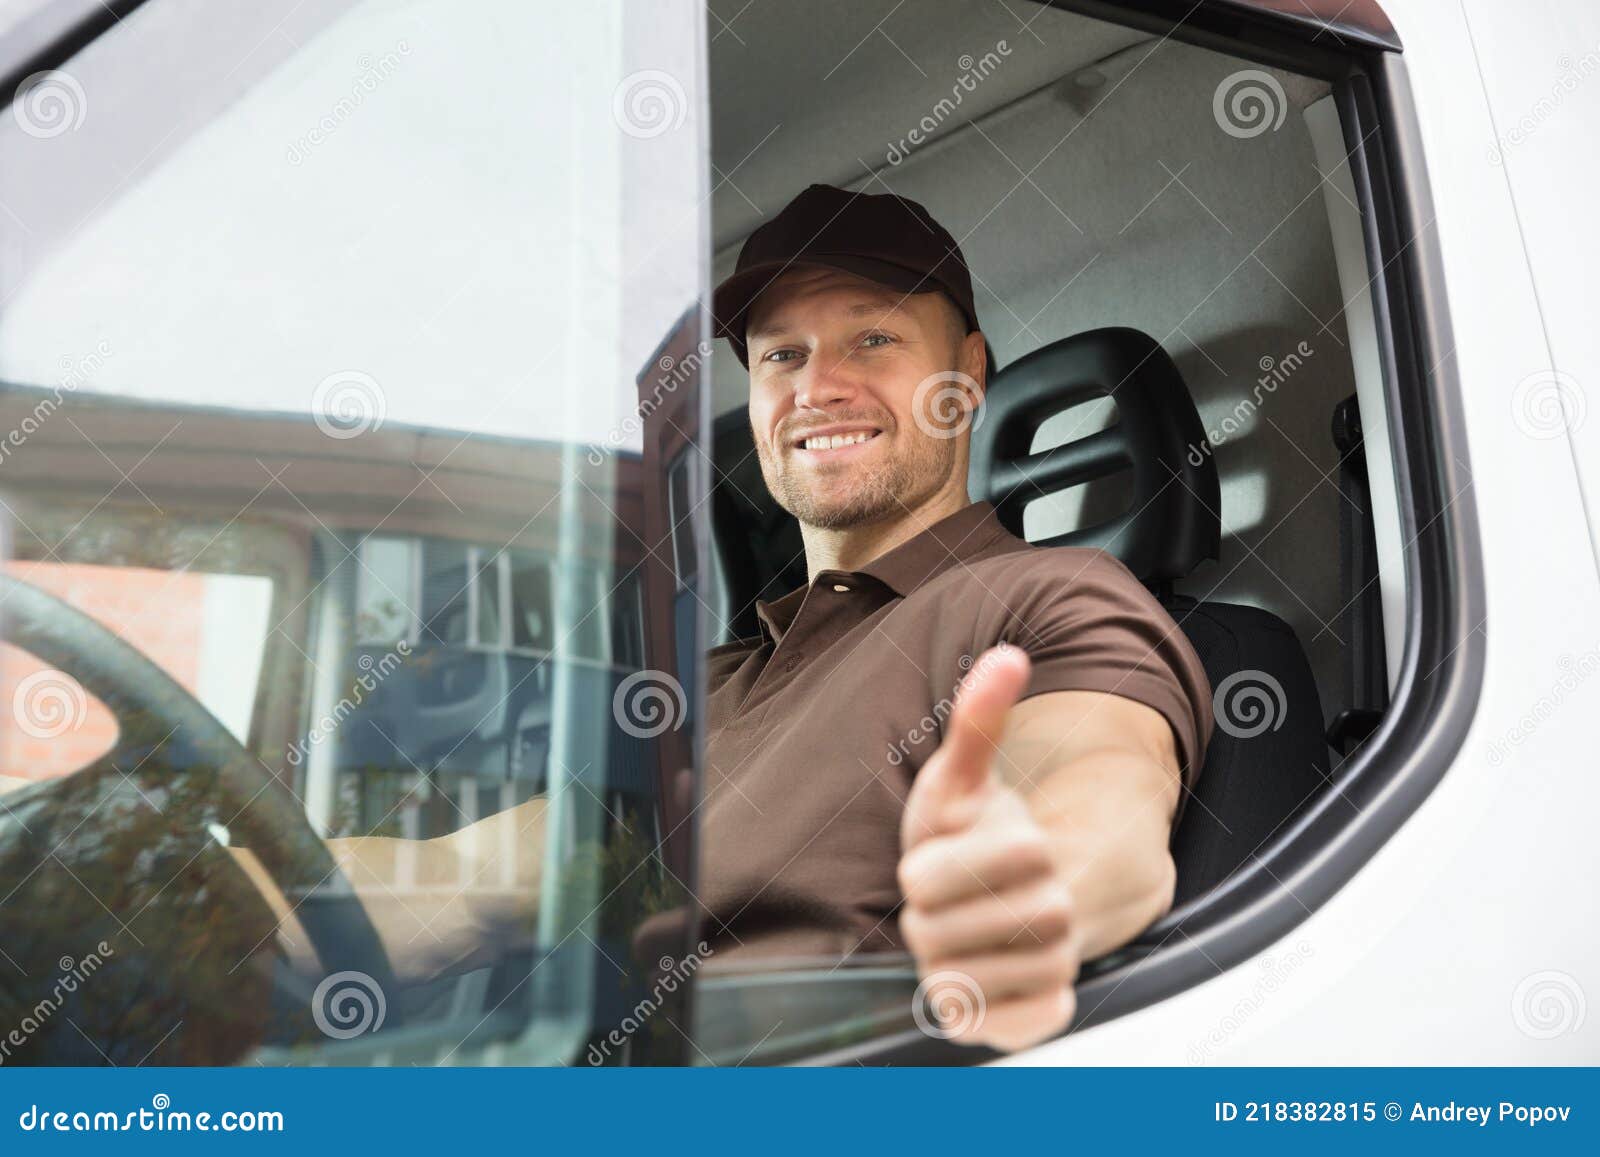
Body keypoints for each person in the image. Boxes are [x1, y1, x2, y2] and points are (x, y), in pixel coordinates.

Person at [249, 183, 1214, 1055]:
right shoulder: (708, 688)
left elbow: (1098, 791)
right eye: (782, 354)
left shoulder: (1050, 598)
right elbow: (453, 877)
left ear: (966, 372)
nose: (818, 384)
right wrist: (161, 893)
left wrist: (1026, 890)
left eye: (872, 338)